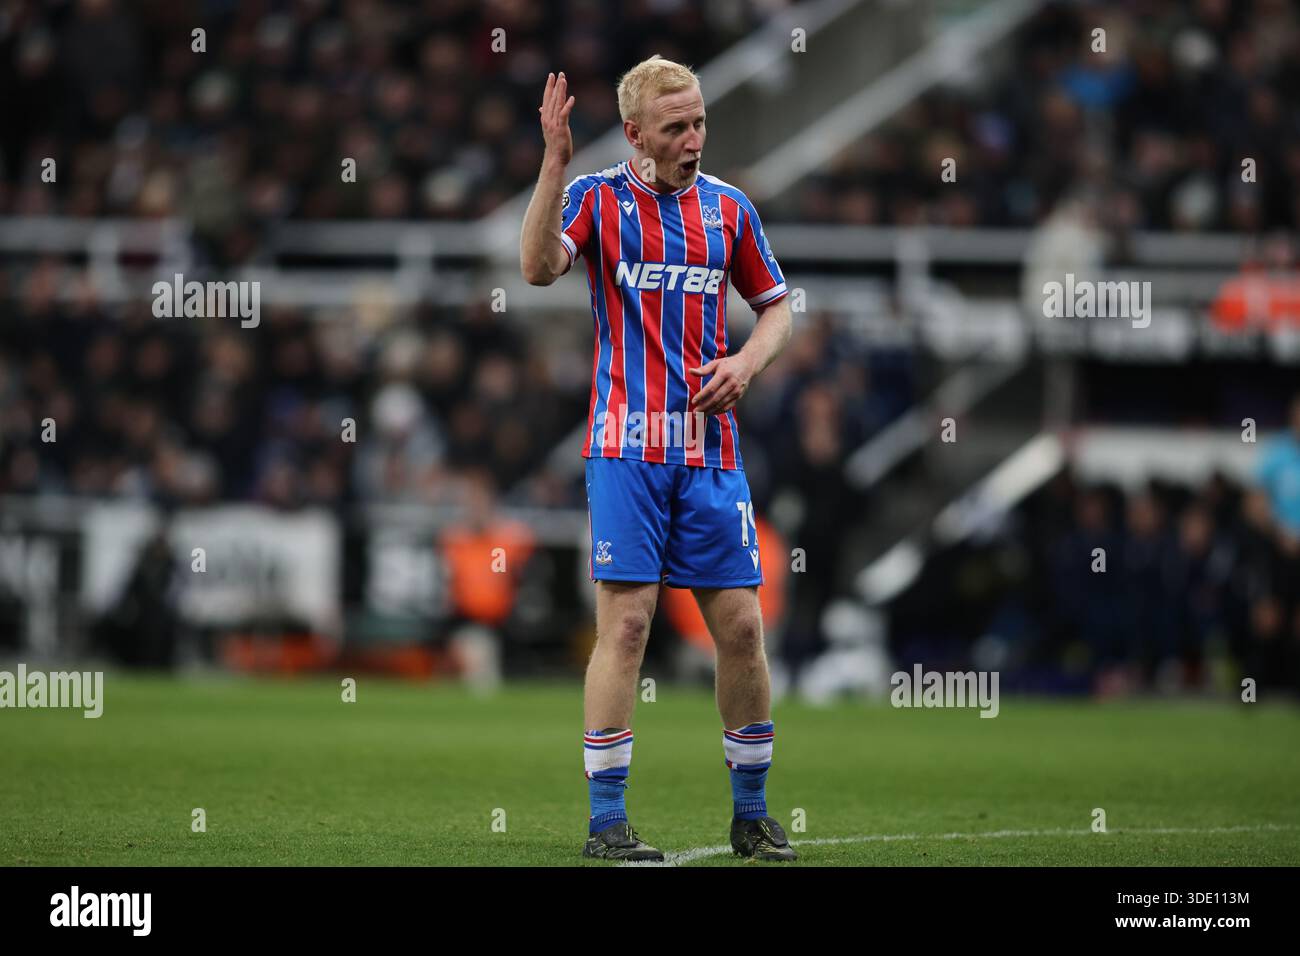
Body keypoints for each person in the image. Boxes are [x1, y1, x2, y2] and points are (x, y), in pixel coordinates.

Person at [520, 56, 796, 861]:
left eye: (700, 121)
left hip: (712, 456)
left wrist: (747, 364)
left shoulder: (730, 210)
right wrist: (554, 162)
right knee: (629, 626)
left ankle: (752, 814)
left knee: (743, 628)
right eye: (676, 127)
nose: (694, 139)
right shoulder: (597, 198)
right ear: (635, 133)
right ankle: (607, 825)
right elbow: (536, 269)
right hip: (625, 450)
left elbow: (779, 309)